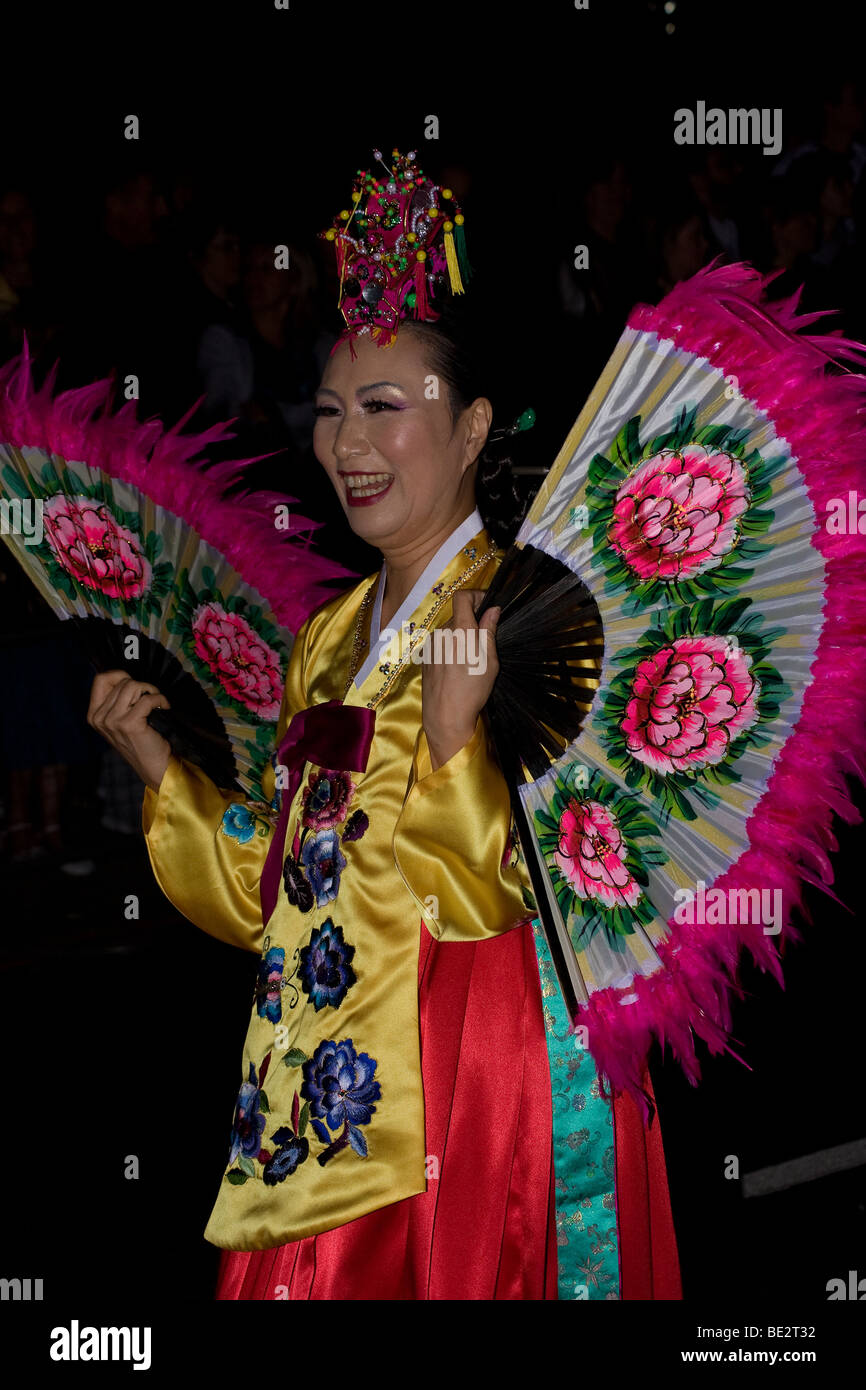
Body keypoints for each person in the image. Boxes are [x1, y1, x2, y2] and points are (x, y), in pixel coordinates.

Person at [86, 150, 681, 1300]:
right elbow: (275, 889)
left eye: (381, 409)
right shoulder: (329, 640)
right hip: (316, 1083)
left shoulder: (541, 612)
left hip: (466, 1070)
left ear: (469, 431)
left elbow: (503, 894)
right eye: (327, 410)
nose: (345, 445)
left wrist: (459, 740)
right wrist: (163, 773)